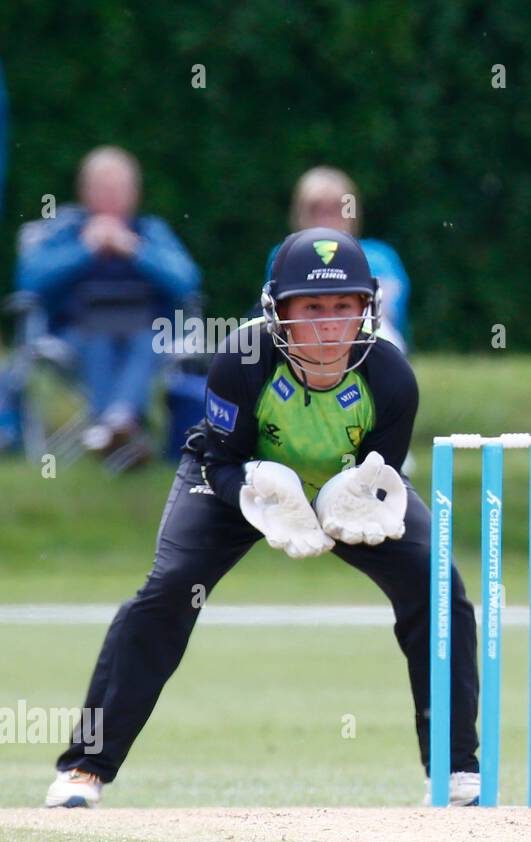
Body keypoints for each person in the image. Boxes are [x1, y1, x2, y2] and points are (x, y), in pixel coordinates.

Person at [45, 227, 482, 808]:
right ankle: (84, 768)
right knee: (171, 589)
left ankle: (454, 771)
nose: (328, 327)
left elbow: (384, 471)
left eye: (343, 308)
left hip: (347, 488)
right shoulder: (243, 361)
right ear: (279, 310)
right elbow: (219, 457)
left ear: (367, 310)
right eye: (313, 308)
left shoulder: (392, 377)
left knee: (438, 586)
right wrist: (256, 492)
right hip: (238, 480)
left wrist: (352, 500)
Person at [16, 146, 200, 455]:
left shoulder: (151, 232)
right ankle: (121, 431)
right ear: (84, 192)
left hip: (146, 330)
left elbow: (187, 282)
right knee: (99, 340)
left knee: (148, 341)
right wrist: (85, 249)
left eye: (119, 189)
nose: (111, 197)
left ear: (135, 193)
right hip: (77, 333)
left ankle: (111, 429)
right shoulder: (65, 231)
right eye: (102, 188)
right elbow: (30, 282)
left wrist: (134, 250)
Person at [267, 167, 412, 352]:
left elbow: (388, 315)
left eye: (336, 209)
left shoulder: (379, 257)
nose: (327, 218)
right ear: (301, 214)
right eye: (317, 209)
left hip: (366, 343)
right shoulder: (284, 256)